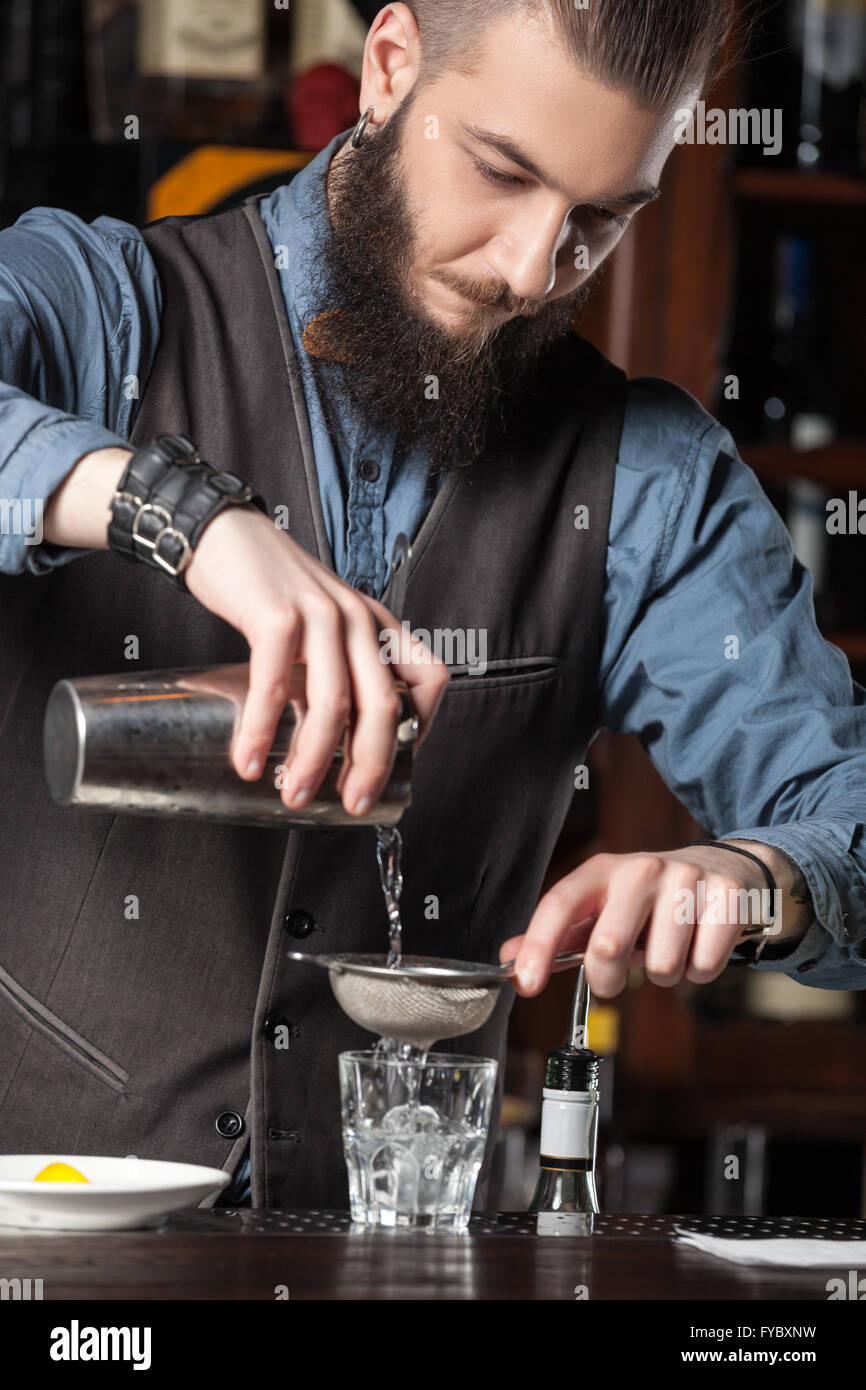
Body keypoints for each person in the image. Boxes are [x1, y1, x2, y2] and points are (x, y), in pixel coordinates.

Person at [1, 1, 864, 1211]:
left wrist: (750, 877)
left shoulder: (645, 479)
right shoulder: (103, 311)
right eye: (500, 171)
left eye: (600, 218)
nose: (529, 269)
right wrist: (175, 510)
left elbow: (845, 811)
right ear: (391, 67)